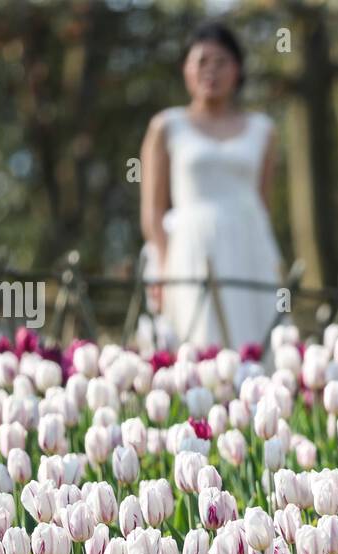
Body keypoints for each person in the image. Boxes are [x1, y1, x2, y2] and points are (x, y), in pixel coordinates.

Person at [139, 21, 282, 354]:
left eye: (221, 62)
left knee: (254, 345)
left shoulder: (263, 130)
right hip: (188, 250)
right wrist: (161, 264)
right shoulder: (166, 127)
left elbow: (263, 203)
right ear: (186, 70)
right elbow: (152, 209)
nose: (211, 72)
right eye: (201, 62)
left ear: (238, 70)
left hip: (250, 248)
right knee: (195, 343)